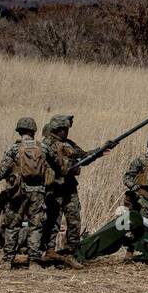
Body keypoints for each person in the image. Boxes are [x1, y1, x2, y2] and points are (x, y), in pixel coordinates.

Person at [0, 117, 52, 268]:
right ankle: (34, 261)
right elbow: (55, 168)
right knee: (36, 225)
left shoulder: (13, 149)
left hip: (17, 193)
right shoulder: (43, 148)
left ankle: (8, 260)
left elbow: (1, 173)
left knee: (13, 225)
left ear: (19, 131)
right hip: (38, 193)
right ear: (33, 131)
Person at [41, 113, 104, 268]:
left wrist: (101, 150)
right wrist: (71, 165)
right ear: (56, 129)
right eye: (63, 129)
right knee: (53, 221)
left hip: (69, 188)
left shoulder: (68, 143)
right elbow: (58, 165)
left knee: (74, 219)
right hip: (54, 189)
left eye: (67, 129)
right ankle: (50, 252)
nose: (66, 132)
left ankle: (72, 253)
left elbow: (83, 156)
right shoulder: (47, 144)